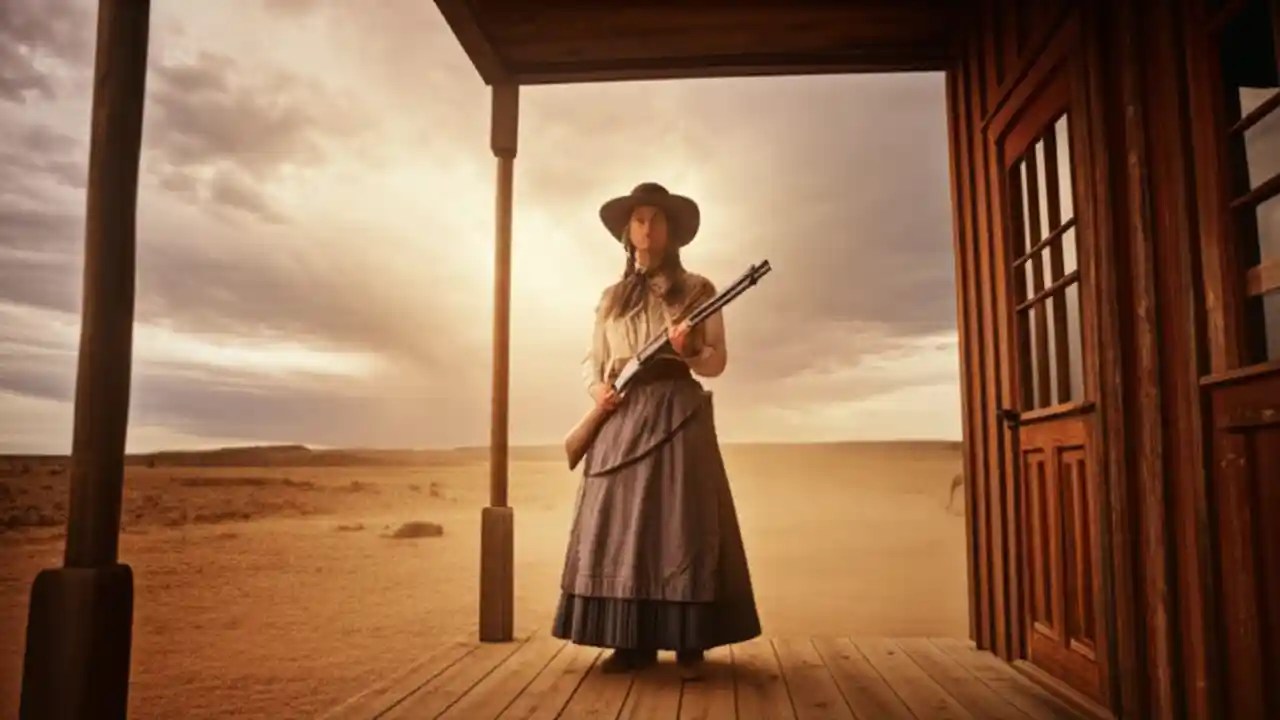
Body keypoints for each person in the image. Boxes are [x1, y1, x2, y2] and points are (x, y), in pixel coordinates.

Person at [551, 182, 763, 674]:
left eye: (658, 219)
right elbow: (593, 359)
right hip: (619, 417)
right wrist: (596, 393)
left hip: (677, 414)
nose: (648, 227)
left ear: (671, 231)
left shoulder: (698, 291)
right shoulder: (609, 299)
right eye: (640, 218)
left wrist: (687, 349)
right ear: (628, 231)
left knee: (681, 525)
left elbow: (716, 363)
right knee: (623, 530)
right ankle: (631, 642)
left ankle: (689, 641)